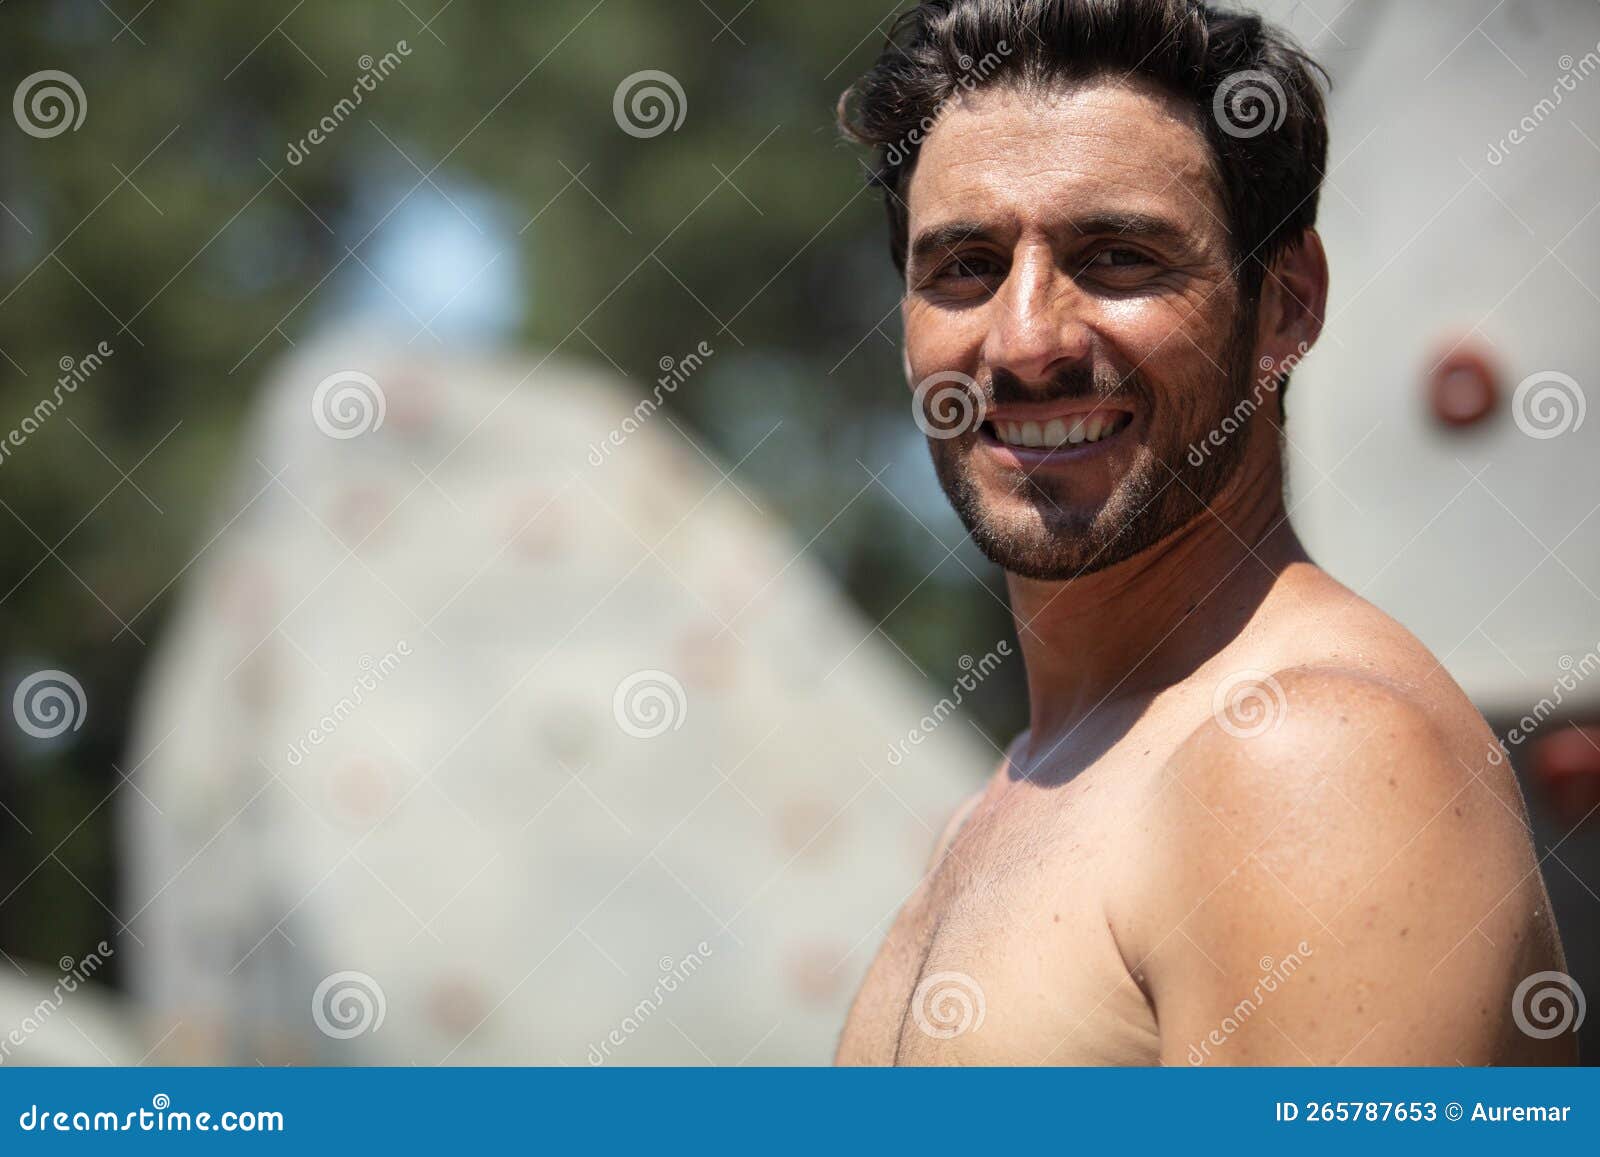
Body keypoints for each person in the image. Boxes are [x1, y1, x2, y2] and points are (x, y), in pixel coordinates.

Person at [833, 0, 1574, 1065]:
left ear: (1287, 305)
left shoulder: (1309, 759)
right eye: (964, 267)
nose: (1028, 339)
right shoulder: (1026, 785)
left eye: (1119, 256)